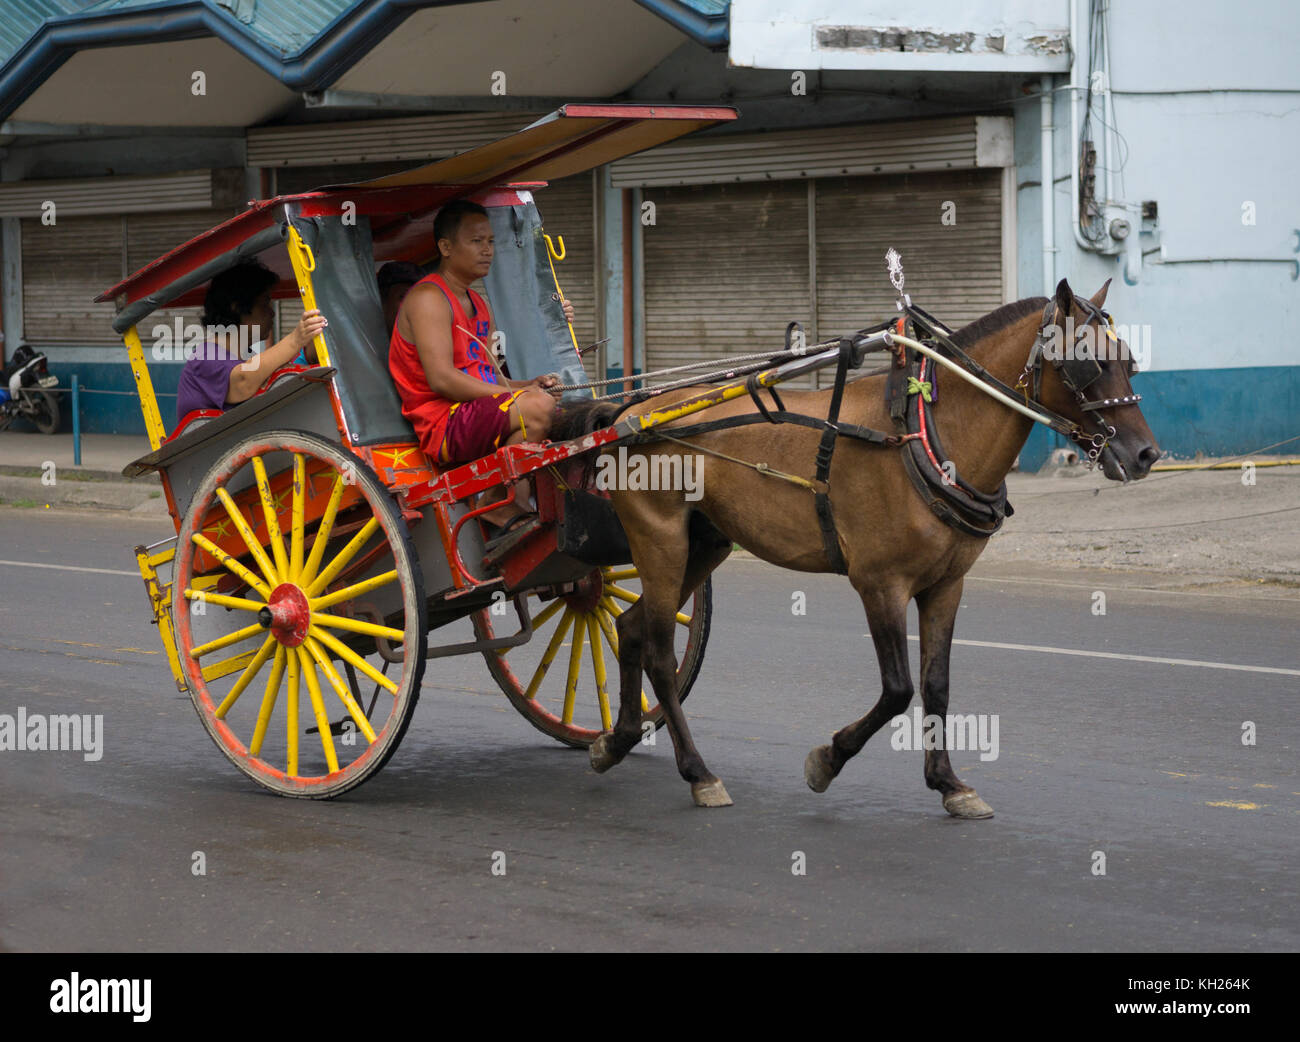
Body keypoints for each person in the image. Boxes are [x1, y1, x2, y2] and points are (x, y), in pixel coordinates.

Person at [387, 199, 561, 527]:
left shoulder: (479, 303)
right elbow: (442, 380)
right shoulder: (428, 298)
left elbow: (490, 377)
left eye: (491, 241)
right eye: (476, 241)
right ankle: (495, 504)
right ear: (446, 247)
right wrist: (521, 398)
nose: (488, 251)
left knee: (554, 406)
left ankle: (519, 512)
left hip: (473, 412)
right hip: (443, 424)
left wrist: (529, 385)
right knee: (536, 408)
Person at [175, 260, 327, 421]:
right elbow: (242, 382)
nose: (272, 313)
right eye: (265, 303)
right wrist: (295, 339)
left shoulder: (242, 360)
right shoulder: (204, 357)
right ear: (237, 307)